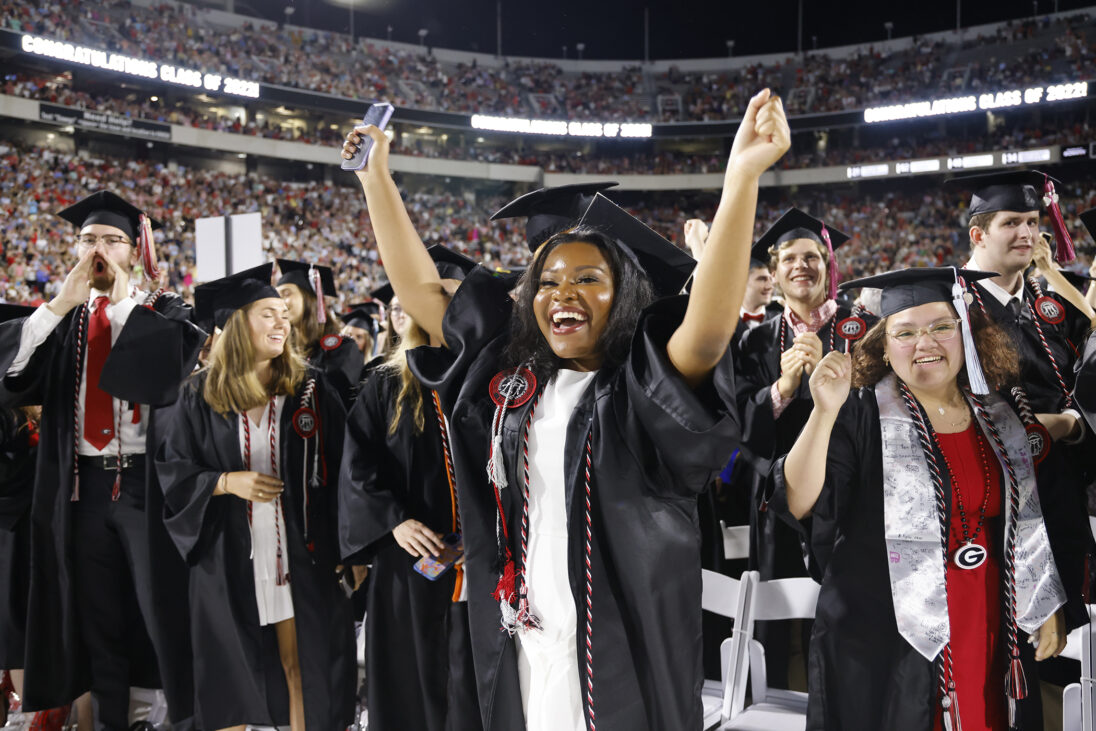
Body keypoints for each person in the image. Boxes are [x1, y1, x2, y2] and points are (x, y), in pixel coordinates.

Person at [343, 88, 788, 730]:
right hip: (525, 629)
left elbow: (707, 332)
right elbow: (422, 292)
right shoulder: (514, 383)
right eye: (547, 280)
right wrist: (375, 178)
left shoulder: (638, 388)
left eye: (587, 279)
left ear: (625, 296)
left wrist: (740, 179)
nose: (562, 292)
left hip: (616, 641)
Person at [776, 266, 1066, 731]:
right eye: (905, 332)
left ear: (965, 333)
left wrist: (1043, 601)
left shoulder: (998, 416)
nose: (925, 343)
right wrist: (823, 413)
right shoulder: (860, 413)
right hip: (888, 629)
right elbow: (797, 501)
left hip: (987, 613)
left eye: (940, 327)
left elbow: (1029, 520)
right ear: (884, 347)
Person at [0, 191, 203, 731]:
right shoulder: (61, 321)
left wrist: (116, 305)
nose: (98, 250)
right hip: (82, 490)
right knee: (98, 620)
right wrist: (57, 306)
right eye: (88, 240)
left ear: (135, 252)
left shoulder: (163, 311)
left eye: (113, 241)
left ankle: (182, 720)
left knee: (161, 610)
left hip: (148, 487)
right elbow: (12, 376)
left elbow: (167, 367)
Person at [156, 264, 356, 731]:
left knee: (302, 666)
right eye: (269, 313)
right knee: (227, 676)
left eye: (284, 314)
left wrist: (349, 551)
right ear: (235, 324)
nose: (282, 322)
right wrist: (226, 482)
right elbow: (174, 469)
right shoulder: (199, 395)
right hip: (229, 553)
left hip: (299, 555)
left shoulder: (310, 391)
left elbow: (345, 470)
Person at [731, 207, 876, 688]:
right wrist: (783, 389)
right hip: (779, 499)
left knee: (845, 619)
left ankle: (844, 705)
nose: (801, 266)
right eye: (789, 258)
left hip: (848, 494)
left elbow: (882, 415)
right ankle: (769, 698)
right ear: (773, 273)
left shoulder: (864, 328)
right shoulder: (756, 341)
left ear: (828, 265)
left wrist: (831, 383)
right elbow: (739, 423)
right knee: (775, 618)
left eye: (812, 256)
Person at [339, 245, 482, 731]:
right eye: (434, 296)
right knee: (409, 684)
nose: (445, 307)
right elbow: (358, 467)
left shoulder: (497, 377)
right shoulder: (386, 383)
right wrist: (394, 522)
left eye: (454, 296)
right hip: (411, 562)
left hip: (487, 561)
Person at [951, 170, 1093, 637]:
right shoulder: (948, 307)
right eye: (1011, 222)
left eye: (1032, 221)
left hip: (1062, 493)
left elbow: (1089, 369)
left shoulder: (1048, 305)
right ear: (978, 234)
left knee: (1067, 646)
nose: (1027, 233)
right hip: (992, 504)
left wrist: (1070, 423)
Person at [275, 259, 361, 406]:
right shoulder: (281, 351)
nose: (279, 302)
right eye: (277, 296)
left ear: (309, 298)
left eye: (286, 293)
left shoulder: (343, 349)